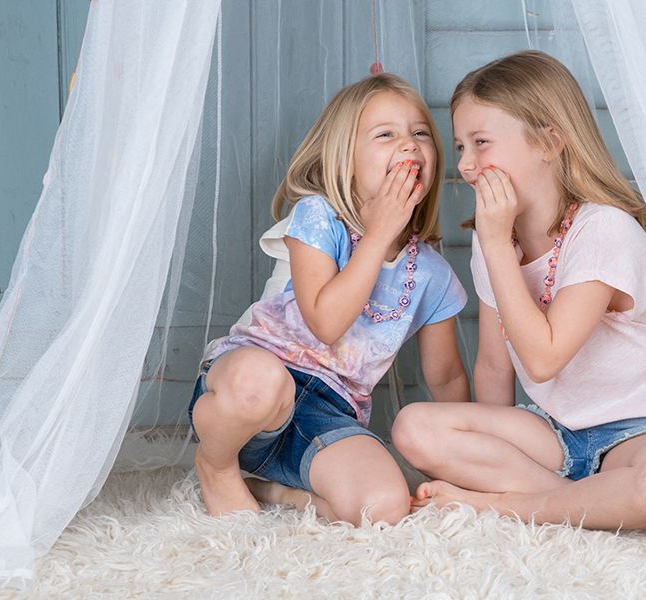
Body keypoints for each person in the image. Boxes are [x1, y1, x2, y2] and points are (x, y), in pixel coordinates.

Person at [392, 50, 646, 530]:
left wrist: (496, 246)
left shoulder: (602, 230)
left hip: (643, 430)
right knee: (414, 427)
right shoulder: (494, 236)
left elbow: (544, 359)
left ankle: (505, 506)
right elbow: (494, 364)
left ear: (549, 142)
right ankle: (585, 501)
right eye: (460, 146)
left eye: (481, 143)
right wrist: (490, 450)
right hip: (556, 434)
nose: (467, 164)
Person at [188, 73, 470, 524]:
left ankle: (275, 490)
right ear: (345, 159)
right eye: (386, 135)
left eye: (421, 134)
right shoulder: (318, 217)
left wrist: (466, 462)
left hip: (328, 416)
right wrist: (379, 234)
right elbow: (325, 322)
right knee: (259, 384)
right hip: (253, 387)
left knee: (385, 507)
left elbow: (447, 378)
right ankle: (217, 466)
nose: (409, 144)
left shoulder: (433, 276)